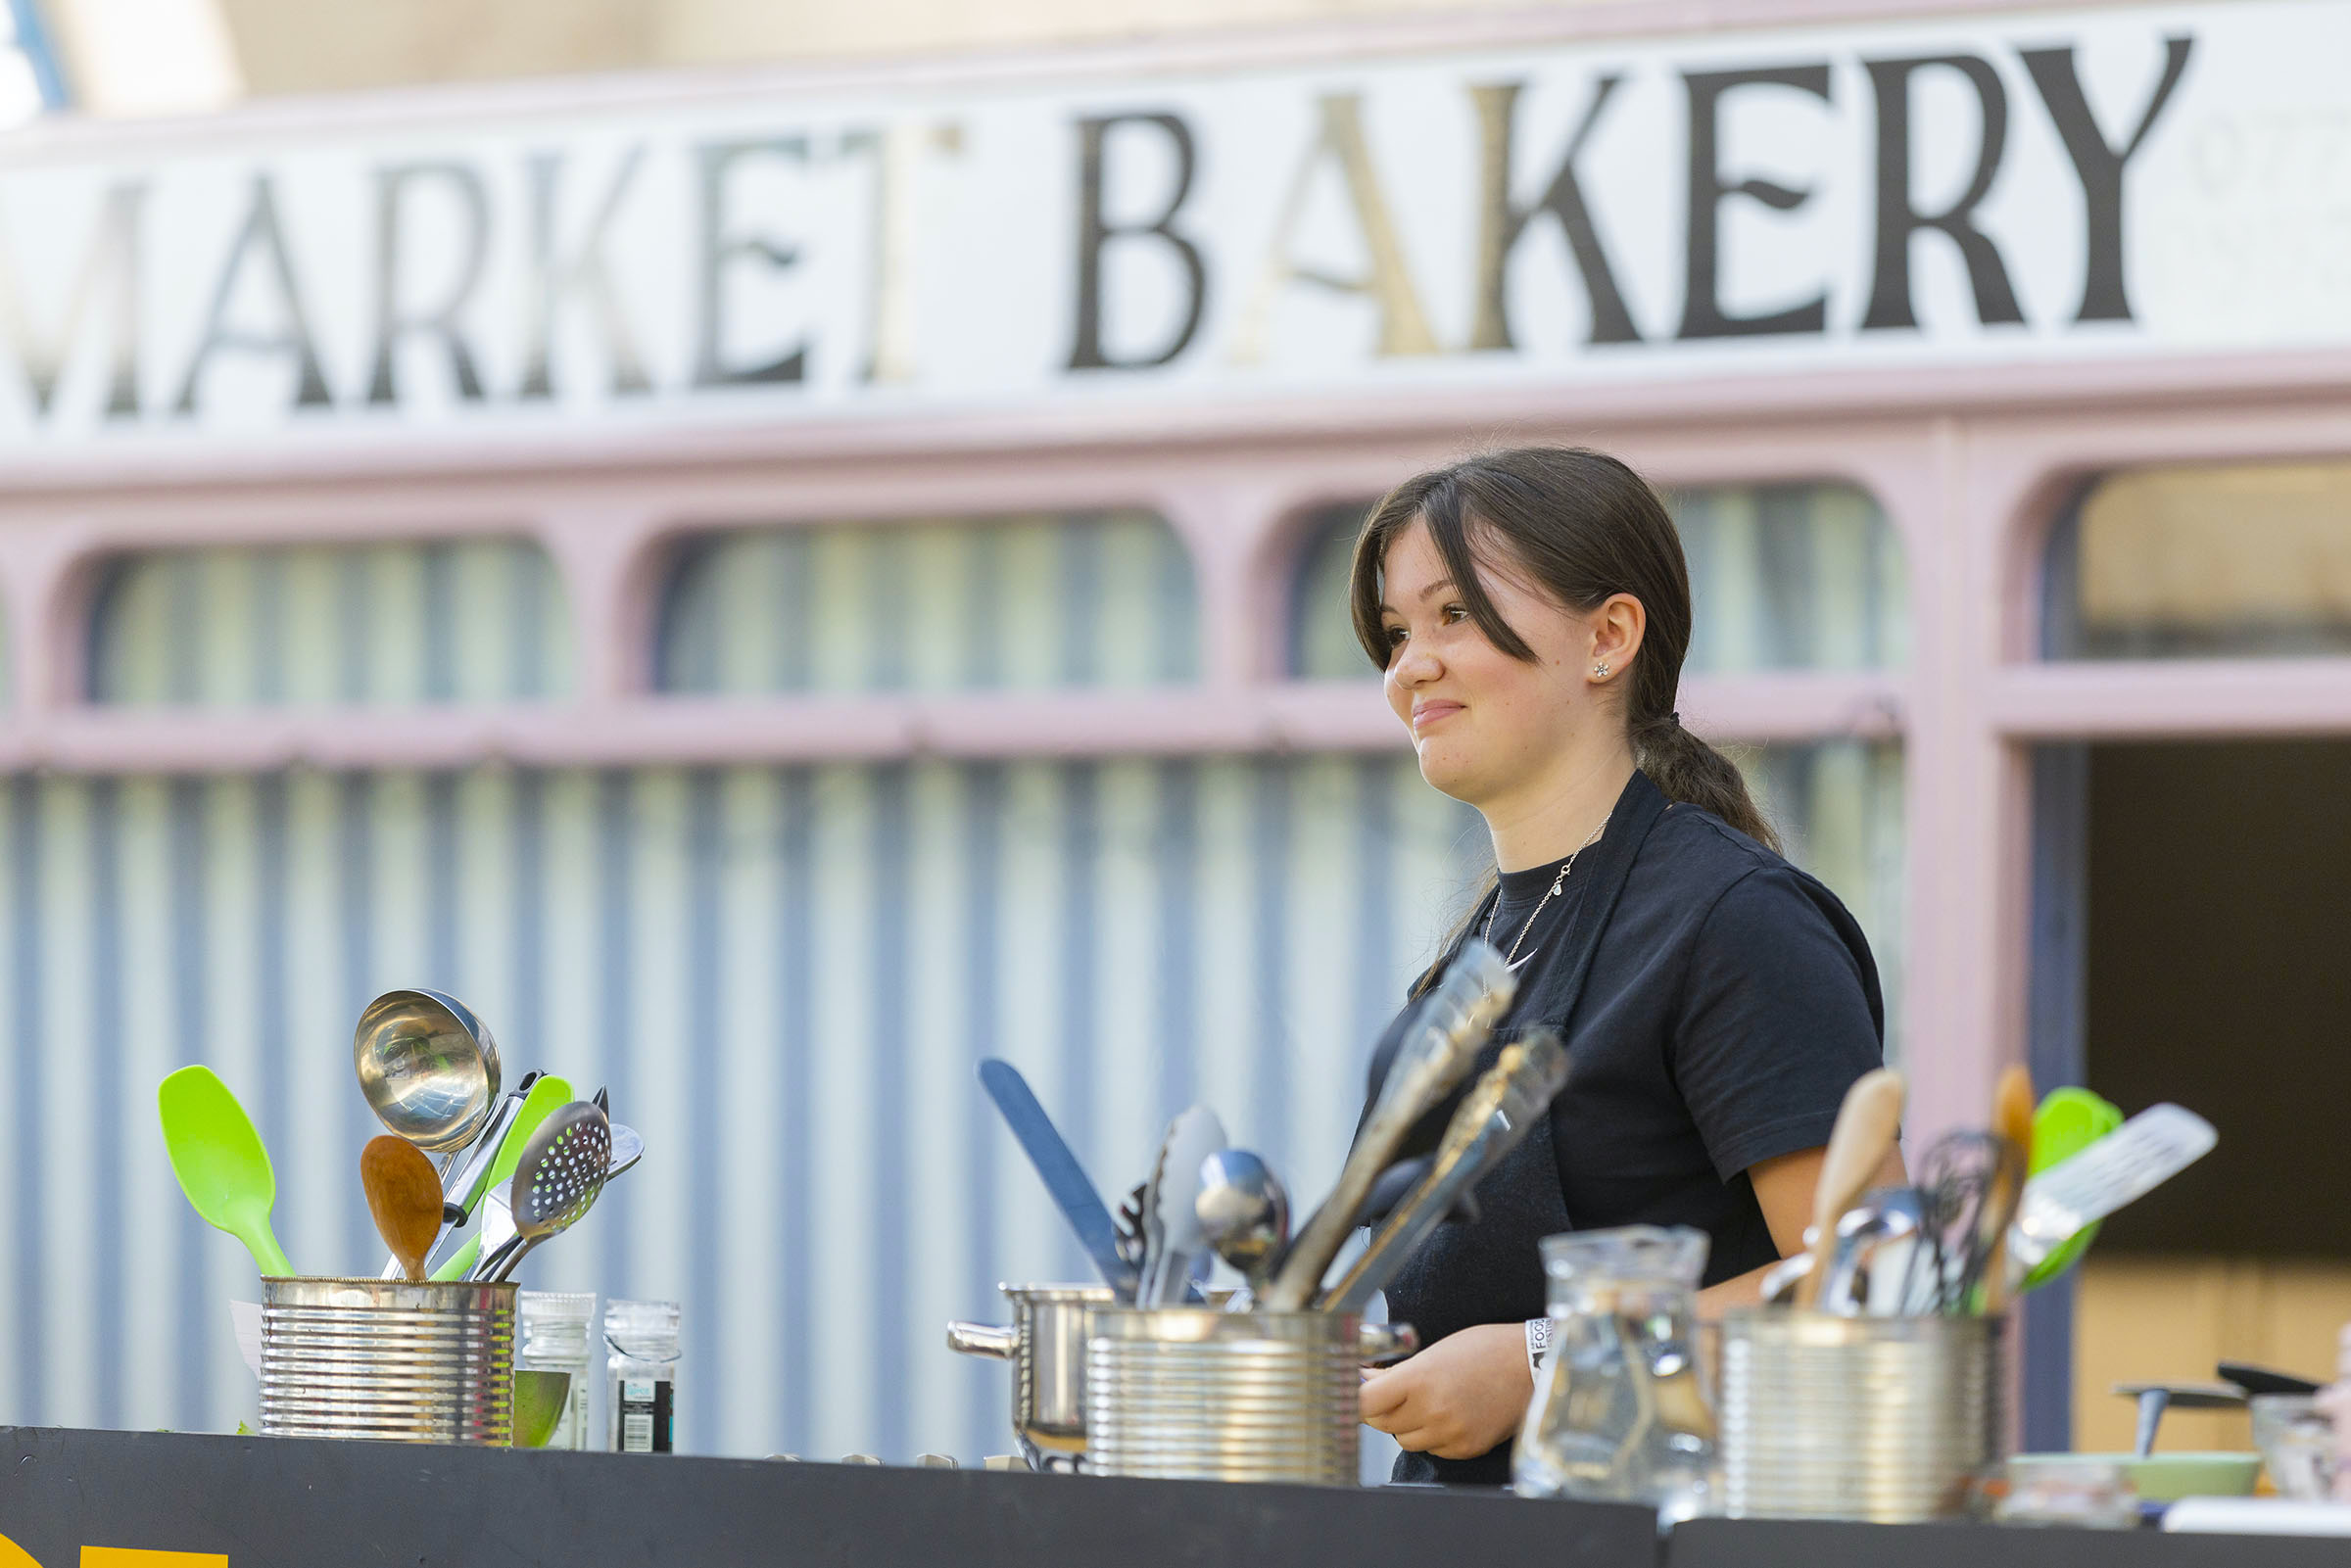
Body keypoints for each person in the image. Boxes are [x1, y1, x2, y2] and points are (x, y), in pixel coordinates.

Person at [1347, 447, 1897, 1486]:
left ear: (1608, 637)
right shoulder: (1470, 963)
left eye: (1455, 614)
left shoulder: (1733, 921)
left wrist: (1547, 1362)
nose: (1409, 664)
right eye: (1396, 631)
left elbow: (1870, 1286)